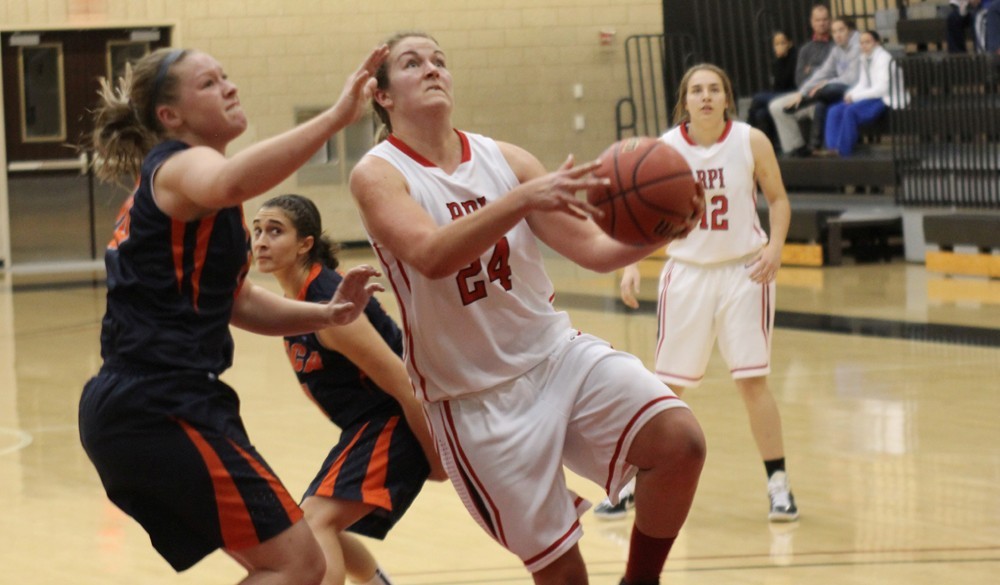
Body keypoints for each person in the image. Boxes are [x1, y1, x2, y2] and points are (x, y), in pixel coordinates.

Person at [350, 31, 707, 585]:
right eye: (412, 63)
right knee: (563, 576)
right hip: (474, 398)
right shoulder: (378, 173)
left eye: (440, 60)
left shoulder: (506, 158)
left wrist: (666, 230)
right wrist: (520, 199)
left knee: (680, 442)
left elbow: (593, 250)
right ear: (384, 95)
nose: (432, 69)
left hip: (555, 356)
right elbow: (431, 256)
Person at [78, 45, 389, 583]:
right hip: (158, 405)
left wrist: (327, 314)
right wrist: (338, 118)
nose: (229, 86)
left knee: (295, 564)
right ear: (170, 117)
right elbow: (233, 181)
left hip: (152, 406)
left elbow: (237, 301)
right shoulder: (183, 166)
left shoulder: (201, 193)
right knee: (298, 565)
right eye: (208, 83)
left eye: (226, 76)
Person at [595, 63, 797, 524]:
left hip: (744, 274)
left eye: (714, 90)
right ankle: (627, 484)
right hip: (685, 274)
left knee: (752, 383)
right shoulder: (664, 150)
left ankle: (779, 484)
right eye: (696, 91)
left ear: (727, 98)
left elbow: (779, 200)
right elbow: (643, 216)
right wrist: (631, 265)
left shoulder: (751, 140)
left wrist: (776, 247)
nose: (705, 97)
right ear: (684, 101)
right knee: (666, 390)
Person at [252, 194, 448, 585]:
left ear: (306, 244)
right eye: (256, 231)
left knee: (314, 522)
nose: (260, 241)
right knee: (318, 523)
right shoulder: (300, 300)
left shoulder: (329, 306)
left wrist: (436, 455)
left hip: (395, 419)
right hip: (368, 425)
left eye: (275, 231)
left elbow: (403, 383)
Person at [769, 16, 860, 157]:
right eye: (834, 31)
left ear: (850, 31)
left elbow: (852, 78)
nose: (838, 35)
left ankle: (813, 147)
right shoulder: (836, 50)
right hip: (822, 92)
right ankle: (795, 149)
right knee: (775, 106)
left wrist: (827, 82)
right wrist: (802, 92)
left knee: (825, 93)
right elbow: (822, 72)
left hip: (849, 92)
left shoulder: (858, 47)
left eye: (841, 30)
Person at [821, 30, 907, 157]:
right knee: (834, 110)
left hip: (885, 98)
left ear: (877, 43)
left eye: (868, 42)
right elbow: (863, 83)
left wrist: (855, 97)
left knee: (850, 111)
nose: (864, 45)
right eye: (862, 43)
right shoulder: (864, 58)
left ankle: (844, 151)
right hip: (870, 96)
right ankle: (832, 149)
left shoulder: (884, 59)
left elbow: (882, 89)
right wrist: (850, 94)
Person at [747, 31, 798, 147]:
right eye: (776, 44)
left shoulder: (795, 58)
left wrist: (781, 60)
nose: (779, 46)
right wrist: (779, 61)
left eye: (782, 43)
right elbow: (776, 86)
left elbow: (787, 81)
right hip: (779, 95)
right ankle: (767, 148)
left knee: (757, 98)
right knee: (761, 113)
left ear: (790, 44)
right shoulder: (777, 62)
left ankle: (747, 130)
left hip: (792, 94)